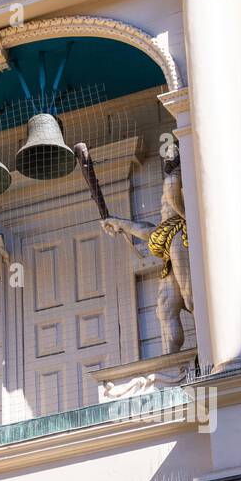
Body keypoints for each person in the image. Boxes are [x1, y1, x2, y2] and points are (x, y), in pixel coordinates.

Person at [100, 153, 193, 359]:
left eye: (173, 153)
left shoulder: (176, 178)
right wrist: (121, 223)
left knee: (190, 298)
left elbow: (164, 227)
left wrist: (186, 220)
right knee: (166, 307)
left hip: (181, 239)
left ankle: (210, 357)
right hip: (173, 241)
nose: (167, 157)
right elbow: (155, 232)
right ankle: (171, 364)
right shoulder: (174, 182)